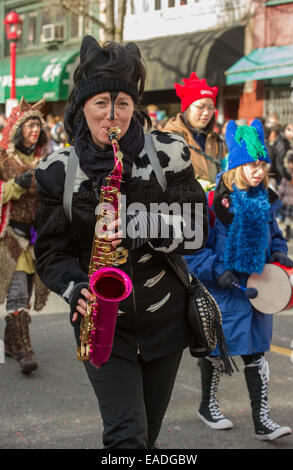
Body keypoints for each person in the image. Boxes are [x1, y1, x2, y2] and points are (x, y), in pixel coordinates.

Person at [33, 35, 208, 449]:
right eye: (101, 104)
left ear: (134, 106)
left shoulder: (169, 153)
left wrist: (136, 224)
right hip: (101, 324)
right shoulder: (56, 171)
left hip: (165, 321)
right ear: (82, 107)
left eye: (123, 103)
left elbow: (198, 229)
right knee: (125, 436)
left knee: (147, 436)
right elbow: (49, 250)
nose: (113, 115)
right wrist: (73, 285)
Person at [185, 119, 293, 441]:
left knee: (257, 354)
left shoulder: (266, 201)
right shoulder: (212, 201)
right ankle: (208, 406)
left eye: (262, 164)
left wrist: (279, 253)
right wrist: (214, 269)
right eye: (251, 164)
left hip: (258, 287)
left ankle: (263, 420)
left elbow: (275, 237)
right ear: (236, 165)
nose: (258, 171)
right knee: (216, 352)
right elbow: (193, 248)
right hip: (224, 288)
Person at [0, 97, 49, 374]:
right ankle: (24, 350)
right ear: (19, 129)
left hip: (35, 239)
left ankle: (8, 342)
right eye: (29, 125)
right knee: (17, 294)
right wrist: (15, 186)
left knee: (26, 292)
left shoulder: (45, 160)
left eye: (37, 126)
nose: (34, 130)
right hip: (11, 236)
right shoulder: (4, 158)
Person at [163, 73, 225, 186]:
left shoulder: (215, 139)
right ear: (187, 108)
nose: (206, 113)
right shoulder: (168, 138)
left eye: (211, 108)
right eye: (200, 107)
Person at [278, 151, 293, 240]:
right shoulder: (287, 176)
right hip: (288, 200)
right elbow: (282, 188)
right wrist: (279, 196)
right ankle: (288, 234)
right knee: (287, 219)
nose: (290, 165)